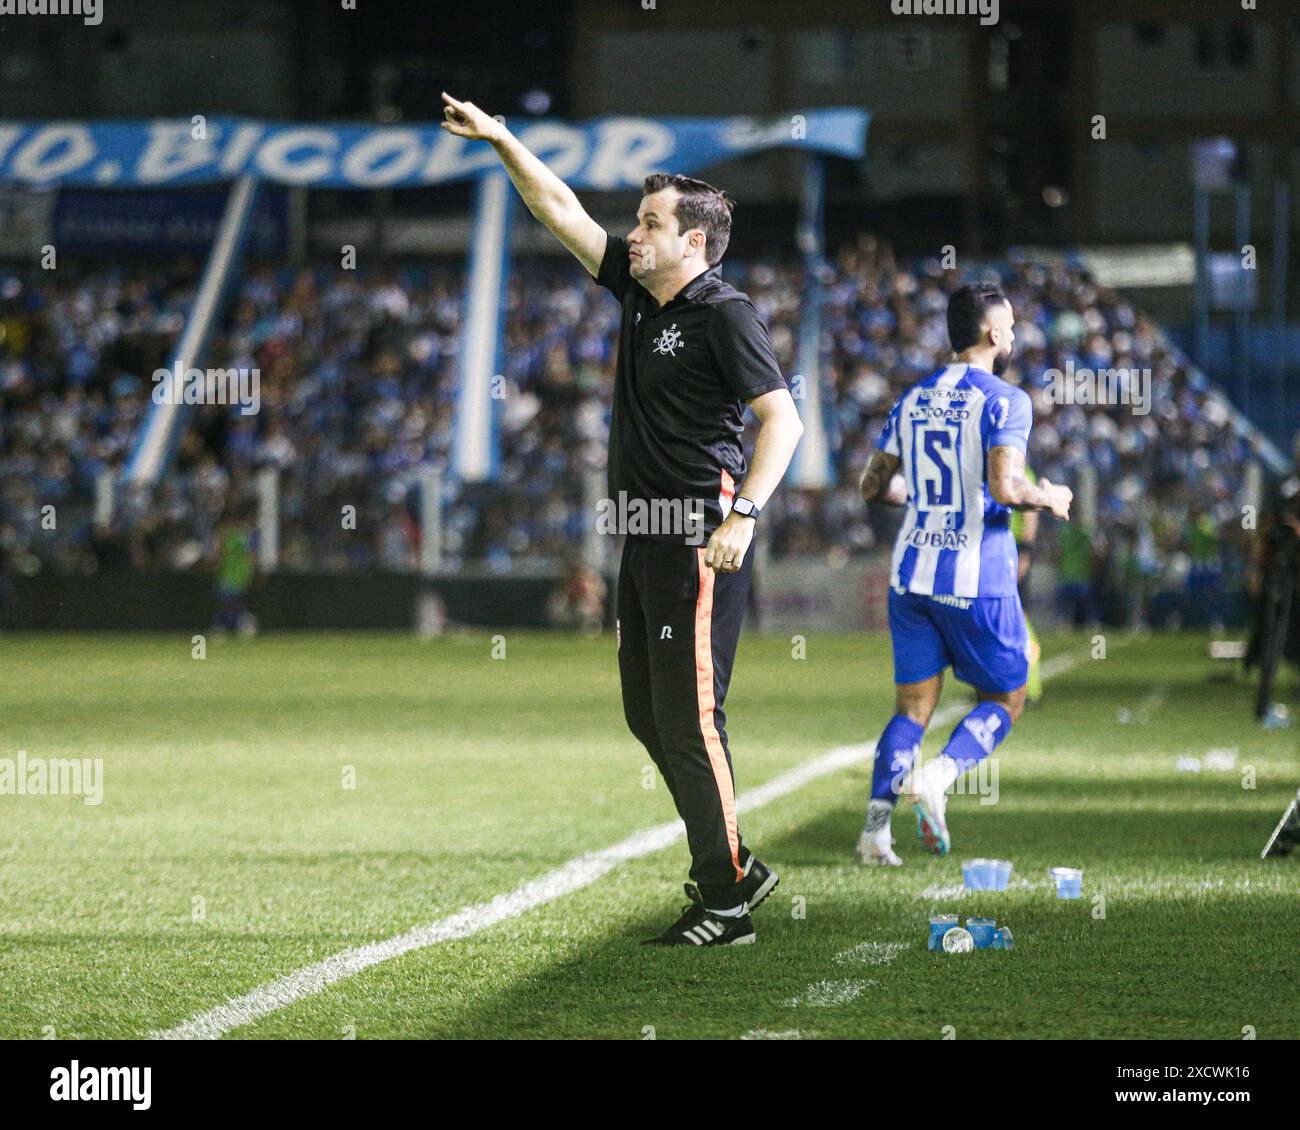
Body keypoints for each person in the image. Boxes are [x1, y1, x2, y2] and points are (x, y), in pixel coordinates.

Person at [441, 93, 805, 945]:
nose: (632, 233)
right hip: (644, 533)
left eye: (649, 223)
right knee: (650, 716)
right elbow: (555, 205)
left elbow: (782, 418)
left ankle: (726, 901)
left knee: (691, 719)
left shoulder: (725, 312)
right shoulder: (643, 298)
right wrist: (500, 138)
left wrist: (744, 513)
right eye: (636, 221)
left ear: (694, 243)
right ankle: (738, 866)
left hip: (697, 530)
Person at [855, 282, 1072, 865]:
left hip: (912, 576)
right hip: (978, 579)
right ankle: (942, 776)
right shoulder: (1007, 399)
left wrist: (925, 496)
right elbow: (1006, 487)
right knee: (1006, 696)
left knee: (911, 712)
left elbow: (872, 487)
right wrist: (1049, 498)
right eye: (1010, 324)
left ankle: (876, 833)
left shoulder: (911, 398)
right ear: (993, 334)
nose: (1014, 333)